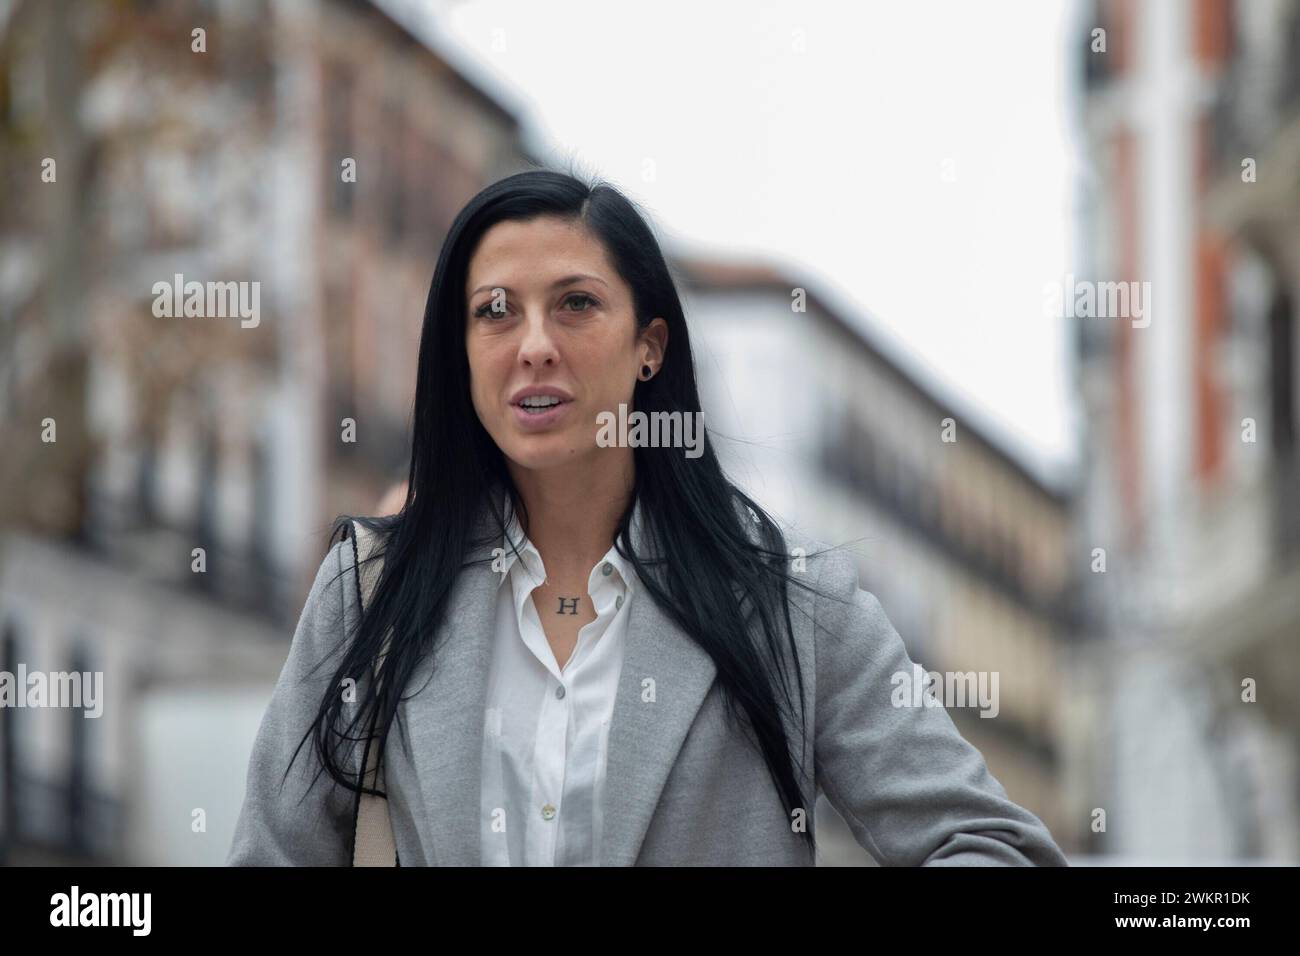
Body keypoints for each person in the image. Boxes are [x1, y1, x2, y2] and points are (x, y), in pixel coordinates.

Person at [227, 169, 1068, 866]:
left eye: (576, 304)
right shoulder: (371, 588)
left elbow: (986, 843)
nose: (533, 345)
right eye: (494, 311)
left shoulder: (790, 602)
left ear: (650, 347)